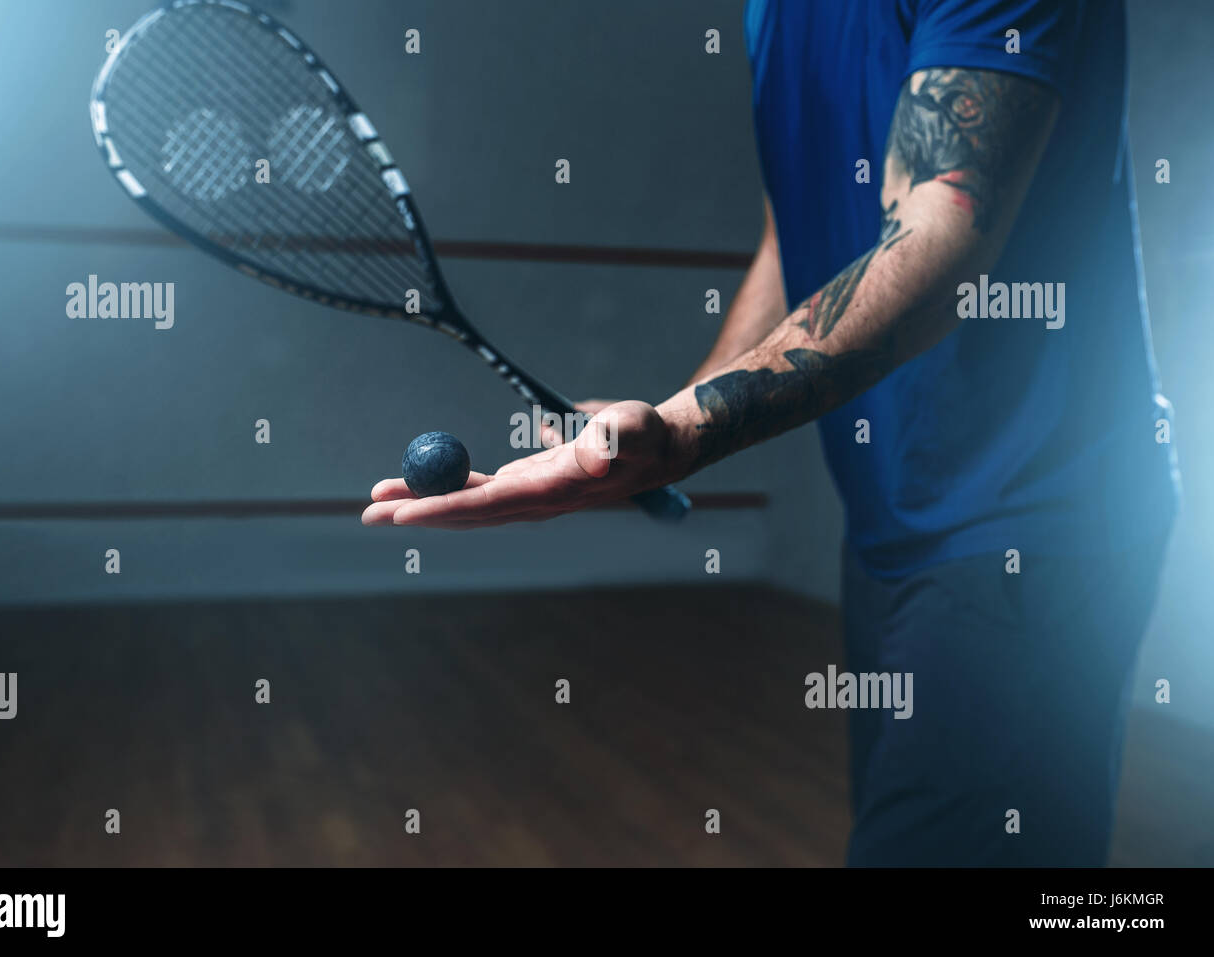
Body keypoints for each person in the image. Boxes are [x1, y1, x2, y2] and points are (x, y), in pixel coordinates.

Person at [363, 0, 1180, 866]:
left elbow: (943, 242)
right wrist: (672, 417)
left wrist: (683, 433)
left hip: (1038, 518)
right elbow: (792, 241)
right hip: (892, 527)